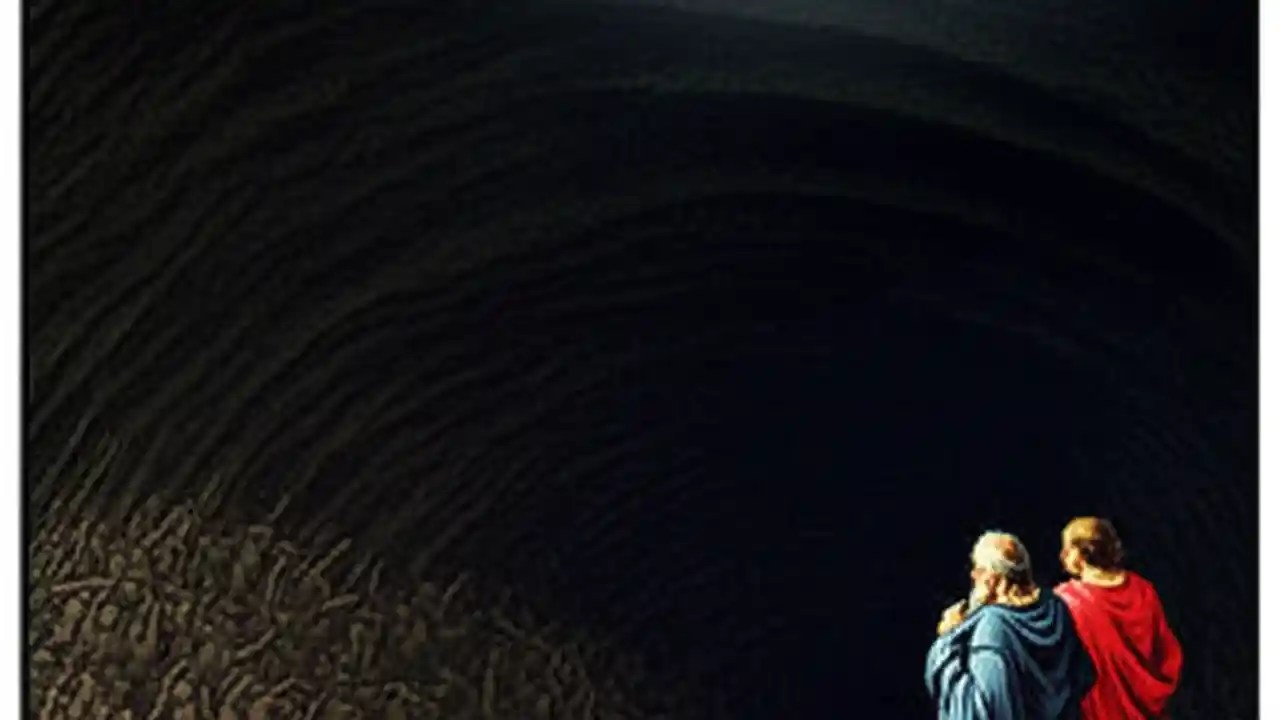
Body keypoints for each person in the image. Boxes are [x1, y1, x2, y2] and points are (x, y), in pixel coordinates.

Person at [926, 530, 1095, 719]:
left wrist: (948, 638)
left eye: (979, 569)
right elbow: (1083, 675)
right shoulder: (1055, 606)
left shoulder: (993, 627)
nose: (973, 575)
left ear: (996, 577)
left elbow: (981, 711)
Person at [1054, 517, 1183, 719]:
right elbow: (1167, 657)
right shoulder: (1144, 591)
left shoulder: (1067, 601)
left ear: (1082, 554)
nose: (1062, 555)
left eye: (1067, 549)